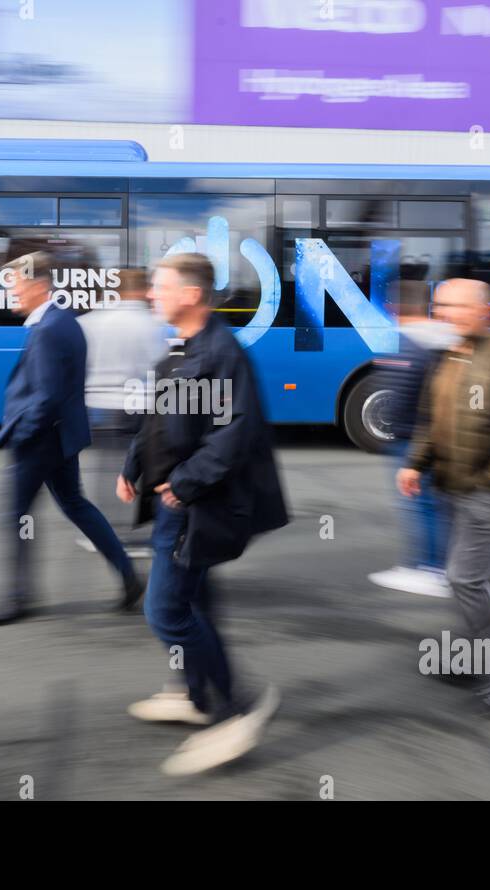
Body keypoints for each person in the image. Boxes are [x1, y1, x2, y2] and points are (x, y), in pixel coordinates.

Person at [117, 252, 289, 776]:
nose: (151, 293)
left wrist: (184, 485)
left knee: (166, 612)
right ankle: (194, 694)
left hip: (195, 506)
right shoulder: (187, 346)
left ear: (191, 294)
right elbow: (159, 418)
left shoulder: (221, 352)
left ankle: (236, 710)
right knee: (197, 603)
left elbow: (233, 436)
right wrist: (132, 466)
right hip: (181, 499)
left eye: (161, 286)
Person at [0, 252, 144, 627]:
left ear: (37, 285)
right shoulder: (63, 321)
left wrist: (22, 436)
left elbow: (45, 397)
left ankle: (16, 600)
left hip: (41, 440)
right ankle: (128, 576)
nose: (10, 293)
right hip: (62, 435)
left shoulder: (48, 330)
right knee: (76, 504)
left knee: (13, 515)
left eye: (14, 285)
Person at [397, 278, 490, 714]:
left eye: (454, 306)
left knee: (467, 577)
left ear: (485, 312)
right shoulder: (449, 356)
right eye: (439, 305)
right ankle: (477, 655)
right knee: (468, 578)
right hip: (450, 487)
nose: (442, 313)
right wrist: (414, 464)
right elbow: (433, 421)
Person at [368, 283, 459, 597]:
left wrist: (393, 428)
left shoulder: (407, 343)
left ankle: (430, 569)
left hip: (413, 440)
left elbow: (401, 395)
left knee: (418, 505)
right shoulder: (443, 339)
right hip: (439, 437)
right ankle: (437, 567)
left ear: (394, 308)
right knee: (434, 505)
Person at [77, 267, 169, 556]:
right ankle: (146, 534)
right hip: (140, 406)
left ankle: (106, 534)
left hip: (99, 407)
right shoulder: (153, 323)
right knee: (147, 470)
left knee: (104, 471)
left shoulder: (89, 322)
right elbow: (160, 366)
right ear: (141, 290)